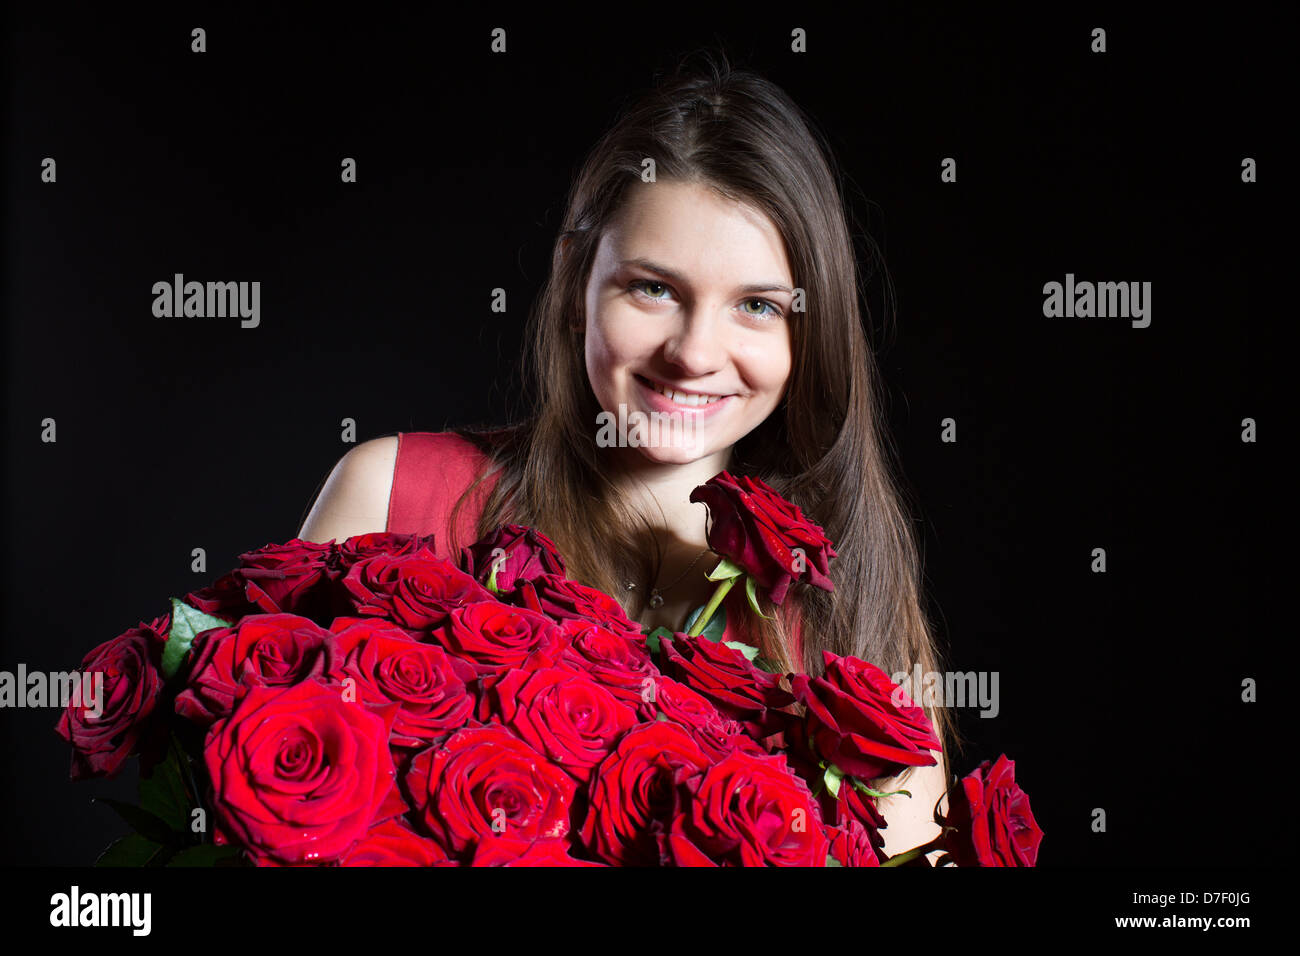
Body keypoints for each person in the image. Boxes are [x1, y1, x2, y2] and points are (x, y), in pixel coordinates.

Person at [298, 50, 961, 865]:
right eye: (653, 288)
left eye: (756, 305)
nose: (693, 353)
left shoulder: (852, 606)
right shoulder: (393, 495)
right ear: (577, 279)